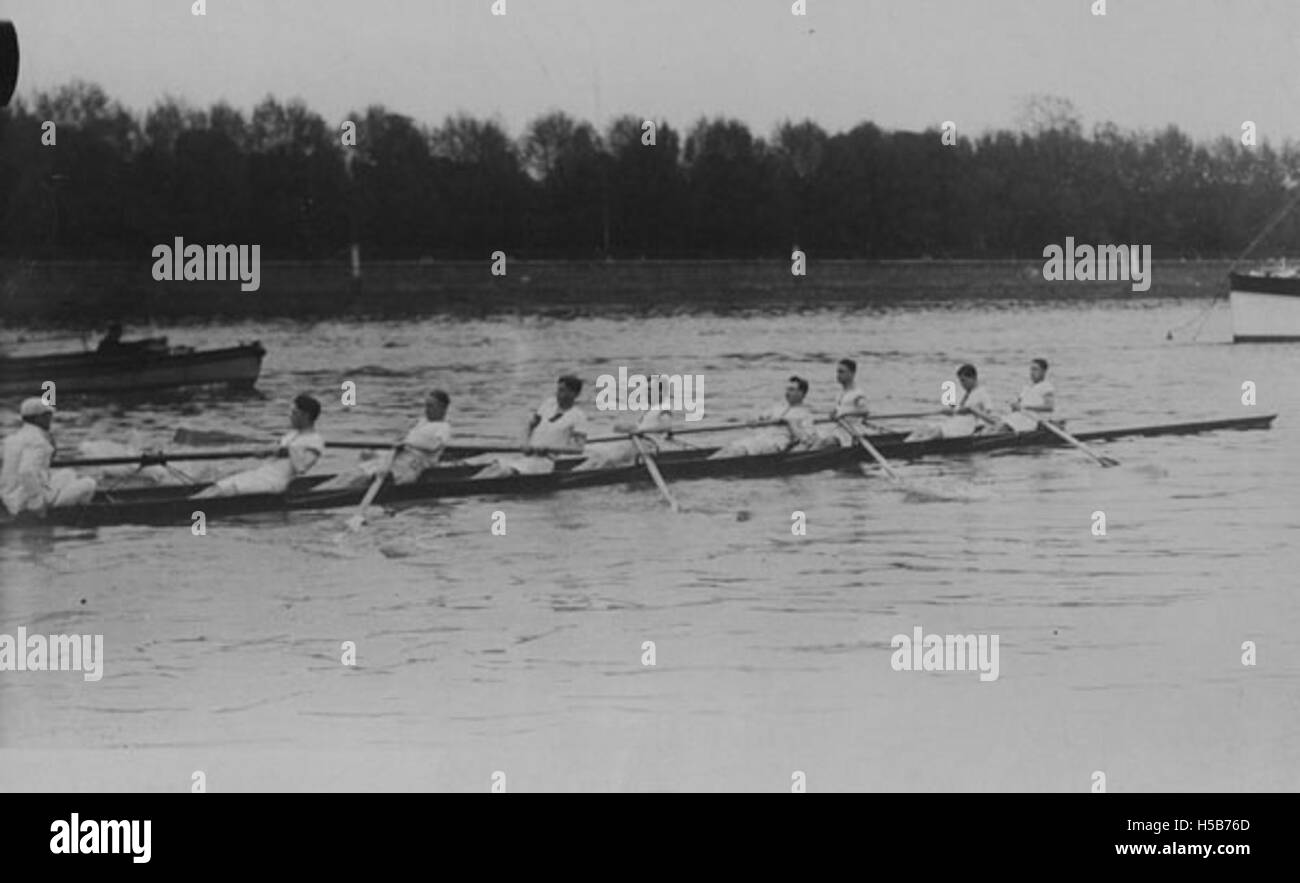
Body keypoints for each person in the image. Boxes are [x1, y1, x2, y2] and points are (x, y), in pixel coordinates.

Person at [314, 390, 452, 491]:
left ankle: (328, 492)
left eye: (431, 406)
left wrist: (407, 441)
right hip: (397, 457)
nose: (426, 410)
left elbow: (434, 445)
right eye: (426, 405)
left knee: (368, 477)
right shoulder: (421, 422)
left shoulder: (444, 427)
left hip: (412, 465)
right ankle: (318, 490)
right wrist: (403, 438)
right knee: (358, 468)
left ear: (443, 408)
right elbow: (401, 437)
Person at [192, 394, 325, 498]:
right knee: (216, 486)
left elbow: (302, 468)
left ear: (305, 416)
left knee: (225, 489)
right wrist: (264, 451)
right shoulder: (291, 434)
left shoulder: (315, 441)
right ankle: (189, 502)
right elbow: (274, 450)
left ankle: (187, 506)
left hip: (276, 482)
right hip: (262, 474)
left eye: (294, 413)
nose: (290, 416)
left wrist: (287, 451)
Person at [474, 375, 588, 478]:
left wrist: (547, 448)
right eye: (558, 390)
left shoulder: (578, 416)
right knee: (493, 467)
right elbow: (529, 426)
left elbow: (578, 449)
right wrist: (525, 443)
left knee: (505, 471)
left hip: (543, 462)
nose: (558, 394)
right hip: (527, 456)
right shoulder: (548, 404)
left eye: (563, 391)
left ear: (575, 394)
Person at [0, 398, 97, 515]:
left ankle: (53, 501)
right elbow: (26, 472)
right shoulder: (37, 441)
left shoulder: (13, 438)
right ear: (38, 418)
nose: (51, 419)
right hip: (26, 503)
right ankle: (71, 516)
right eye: (48, 415)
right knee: (89, 483)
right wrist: (37, 503)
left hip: (10, 497)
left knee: (68, 473)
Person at [573, 375, 674, 471]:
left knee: (609, 458)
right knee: (600, 454)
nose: (648, 393)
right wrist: (626, 428)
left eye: (651, 390)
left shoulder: (664, 409)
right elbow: (641, 427)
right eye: (647, 389)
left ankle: (578, 475)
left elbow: (666, 425)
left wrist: (640, 430)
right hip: (636, 444)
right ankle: (575, 471)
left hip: (648, 447)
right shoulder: (649, 409)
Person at [709, 376, 818, 458]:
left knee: (740, 450)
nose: (787, 393)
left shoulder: (805, 414)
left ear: (801, 393)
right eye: (787, 389)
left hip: (775, 444)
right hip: (760, 438)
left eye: (791, 390)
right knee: (730, 447)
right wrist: (754, 420)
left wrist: (790, 424)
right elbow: (758, 419)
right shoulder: (777, 407)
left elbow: (808, 440)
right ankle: (708, 462)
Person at [906, 364, 997, 441]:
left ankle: (914, 445)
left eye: (964, 380)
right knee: (923, 427)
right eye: (960, 381)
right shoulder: (964, 392)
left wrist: (973, 410)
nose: (962, 384)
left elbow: (991, 420)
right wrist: (950, 411)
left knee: (937, 432)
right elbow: (958, 409)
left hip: (964, 429)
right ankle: (907, 442)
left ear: (973, 378)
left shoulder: (983, 394)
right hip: (953, 423)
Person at [1001, 358, 1056, 433]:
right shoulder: (1027, 388)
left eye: (1035, 369)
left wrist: (1025, 407)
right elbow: (1018, 404)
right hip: (1021, 418)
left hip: (1032, 420)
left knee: (1002, 428)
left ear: (1043, 372)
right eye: (1031, 369)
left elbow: (1049, 407)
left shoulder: (1046, 387)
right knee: (997, 425)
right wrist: (1014, 406)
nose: (1032, 372)